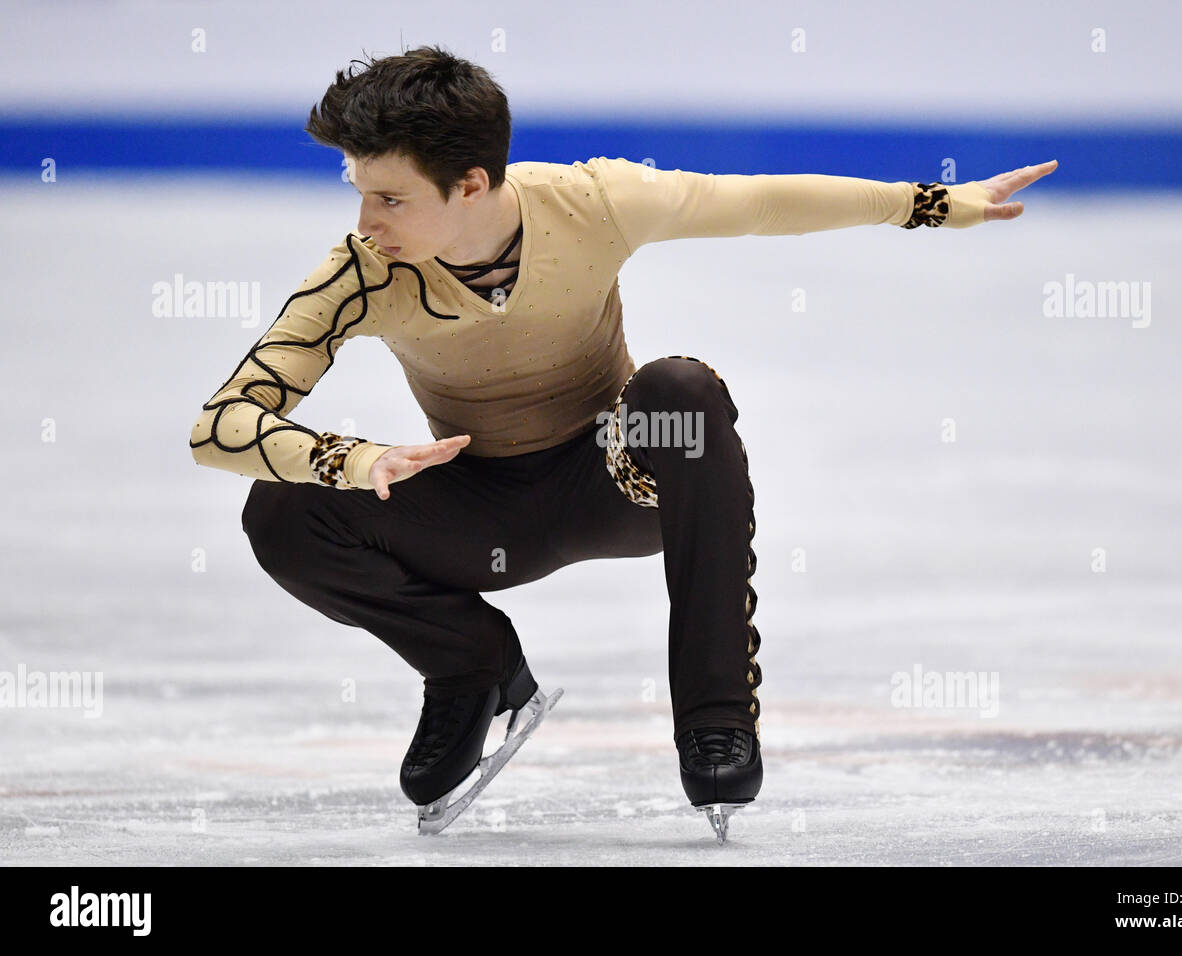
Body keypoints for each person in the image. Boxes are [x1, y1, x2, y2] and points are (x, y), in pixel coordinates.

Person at [188, 44, 1057, 837]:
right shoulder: (360, 272)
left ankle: (716, 718)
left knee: (681, 392)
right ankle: (471, 666)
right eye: (358, 192)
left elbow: (758, 201)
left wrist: (930, 204)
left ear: (472, 184)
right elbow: (220, 425)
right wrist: (355, 461)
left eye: (390, 198)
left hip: (617, 478)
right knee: (284, 511)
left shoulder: (593, 203)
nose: (366, 220)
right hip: (476, 509)